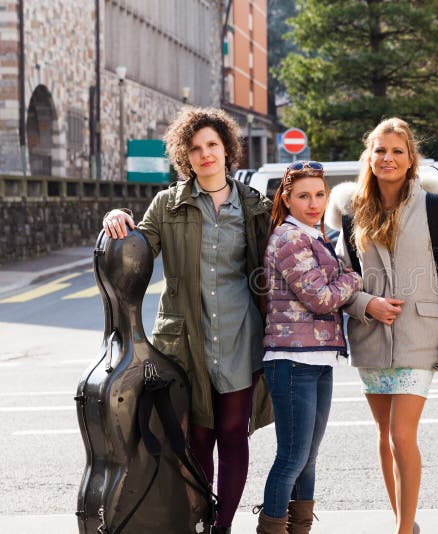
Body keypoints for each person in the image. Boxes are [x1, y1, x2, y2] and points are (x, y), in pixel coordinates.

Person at [102, 107, 273, 534]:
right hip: (185, 341)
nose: (205, 154)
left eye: (212, 145)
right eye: (195, 148)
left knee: (233, 434)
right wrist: (115, 220)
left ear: (227, 149)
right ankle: (197, 520)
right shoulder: (167, 204)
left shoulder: (253, 206)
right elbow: (137, 253)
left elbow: (281, 264)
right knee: (196, 440)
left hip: (239, 336)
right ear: (185, 156)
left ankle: (223, 525)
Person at [326, 117, 438, 534]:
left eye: (397, 151)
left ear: (410, 160)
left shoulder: (435, 209)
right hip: (370, 339)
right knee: (385, 439)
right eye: (380, 150)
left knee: (402, 436)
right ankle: (404, 521)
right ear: (369, 156)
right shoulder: (350, 214)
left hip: (420, 337)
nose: (388, 158)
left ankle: (404, 530)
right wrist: (367, 305)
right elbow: (340, 280)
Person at [255, 161, 362, 534]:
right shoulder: (289, 238)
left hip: (317, 357)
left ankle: (298, 529)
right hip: (291, 360)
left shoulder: (314, 236)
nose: (313, 203)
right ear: (286, 199)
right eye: (303, 196)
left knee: (308, 459)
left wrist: (343, 280)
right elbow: (320, 297)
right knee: (292, 458)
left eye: (319, 194)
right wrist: (353, 278)